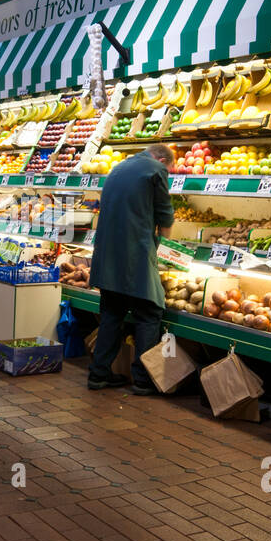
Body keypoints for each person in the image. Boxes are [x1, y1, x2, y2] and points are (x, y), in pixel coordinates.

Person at [87, 142, 175, 395]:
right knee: (149, 313)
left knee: (112, 315)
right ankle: (142, 379)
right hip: (134, 256)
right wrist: (165, 247)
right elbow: (165, 214)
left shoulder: (118, 167)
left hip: (107, 257)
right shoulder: (155, 169)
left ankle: (98, 374)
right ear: (161, 159)